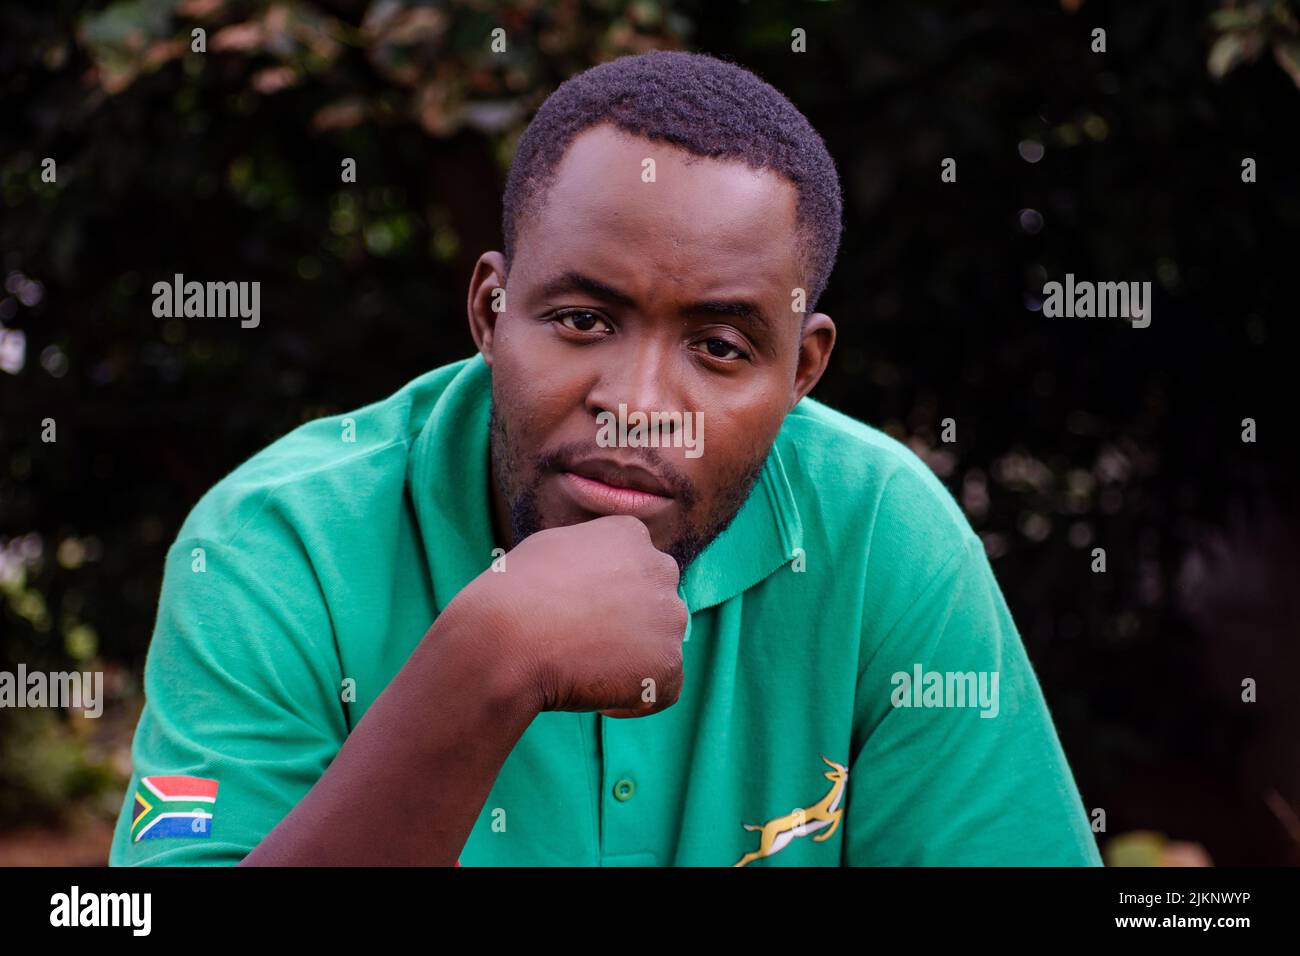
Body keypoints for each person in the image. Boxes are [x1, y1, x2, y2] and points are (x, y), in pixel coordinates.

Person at [110, 51, 1101, 867]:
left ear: (801, 369)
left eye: (719, 346)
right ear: (489, 310)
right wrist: (483, 664)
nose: (636, 409)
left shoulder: (883, 533)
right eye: (583, 319)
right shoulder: (280, 544)